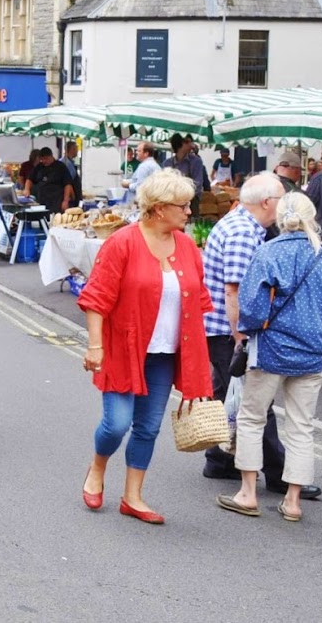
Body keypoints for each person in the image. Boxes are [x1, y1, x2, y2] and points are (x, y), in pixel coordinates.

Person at [78, 168, 213, 525]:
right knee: (117, 424)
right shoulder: (122, 242)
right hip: (123, 349)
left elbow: (198, 302)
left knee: (148, 428)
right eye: (182, 206)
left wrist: (202, 357)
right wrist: (95, 346)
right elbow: (97, 299)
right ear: (158, 208)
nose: (189, 212)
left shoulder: (186, 246)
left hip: (165, 355)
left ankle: (133, 497)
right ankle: (97, 468)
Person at [217, 193, 322, 522]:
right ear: (313, 218)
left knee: (252, 420)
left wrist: (252, 332)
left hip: (270, 350)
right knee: (301, 426)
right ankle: (293, 502)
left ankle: (247, 494)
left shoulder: (267, 252)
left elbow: (250, 311)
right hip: (312, 355)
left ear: (280, 219)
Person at [200, 174, 319, 500]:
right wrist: (242, 338)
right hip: (228, 330)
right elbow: (234, 291)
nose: (285, 205)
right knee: (256, 402)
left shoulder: (244, 226)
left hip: (219, 328)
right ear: (267, 202)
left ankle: (219, 459)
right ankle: (280, 475)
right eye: (282, 198)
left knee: (230, 394)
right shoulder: (242, 232)